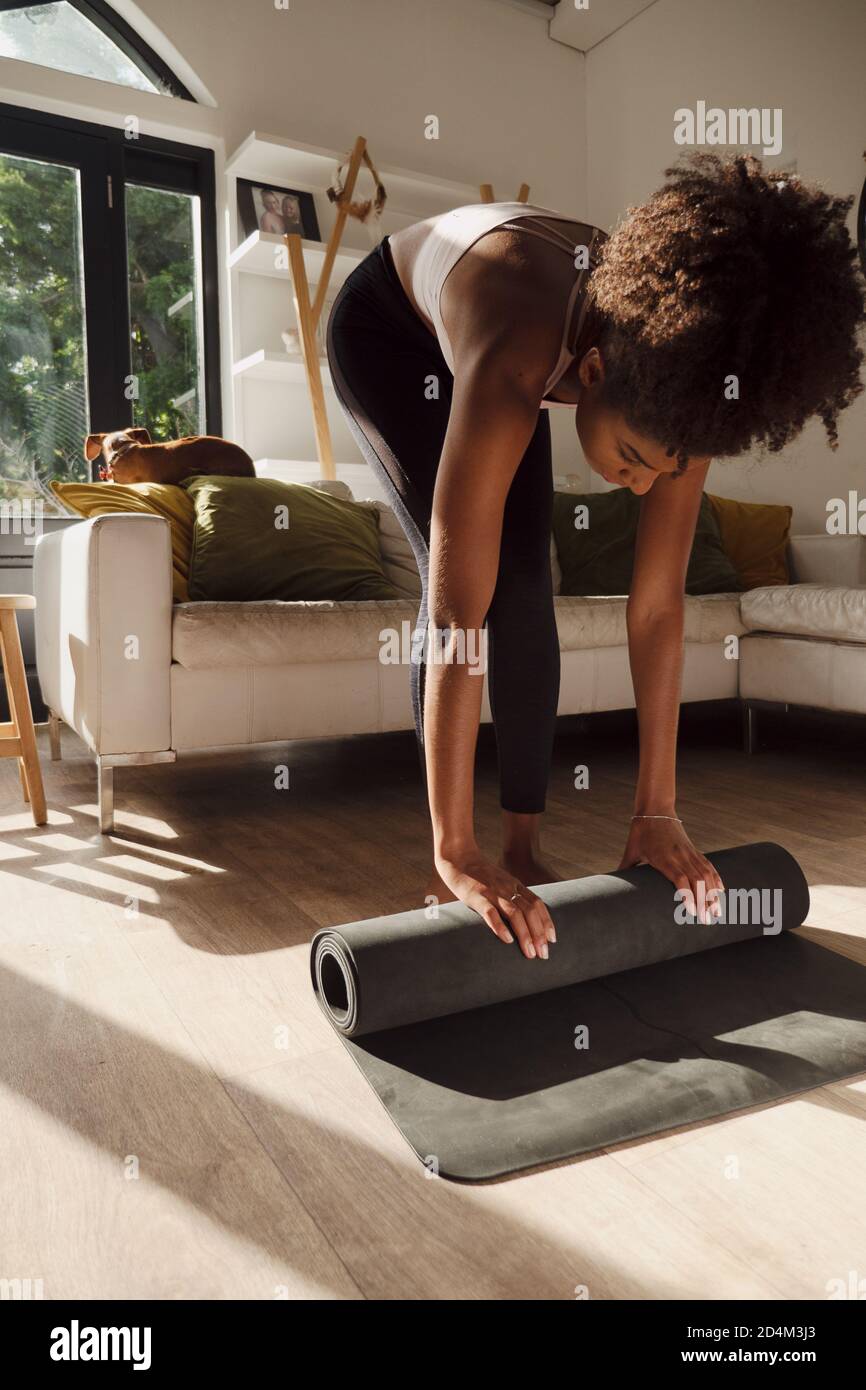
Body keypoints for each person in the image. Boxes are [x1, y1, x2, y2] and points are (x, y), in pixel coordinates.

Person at [326, 154, 864, 961]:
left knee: (528, 578)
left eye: (668, 470)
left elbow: (655, 607)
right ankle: (460, 853)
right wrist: (452, 849)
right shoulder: (517, 349)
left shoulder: (686, 390)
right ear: (597, 372)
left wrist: (658, 811)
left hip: (537, 335)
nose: (648, 487)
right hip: (390, 330)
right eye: (634, 458)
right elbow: (452, 617)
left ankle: (523, 848)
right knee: (476, 580)